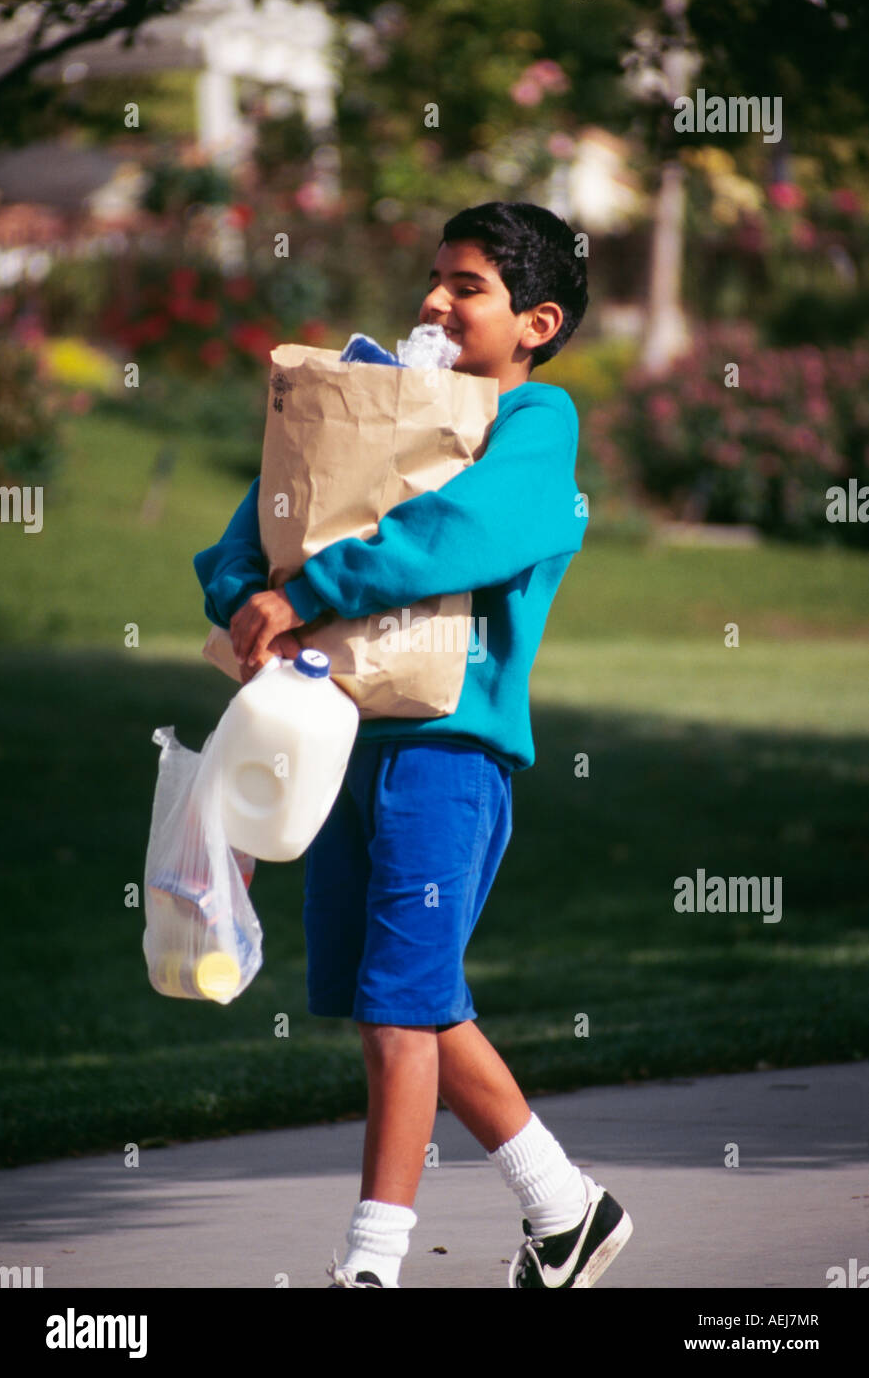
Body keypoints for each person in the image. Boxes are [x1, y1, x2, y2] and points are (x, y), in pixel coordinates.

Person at [193, 200, 632, 1289]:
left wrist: (315, 590)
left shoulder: (537, 424)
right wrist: (252, 596)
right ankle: (567, 1208)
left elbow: (462, 532)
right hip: (340, 739)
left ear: (536, 321)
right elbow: (256, 522)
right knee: (395, 994)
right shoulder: (377, 400)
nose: (435, 299)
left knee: (402, 1002)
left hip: (447, 752)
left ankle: (371, 1264)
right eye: (435, 276)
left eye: (467, 286)